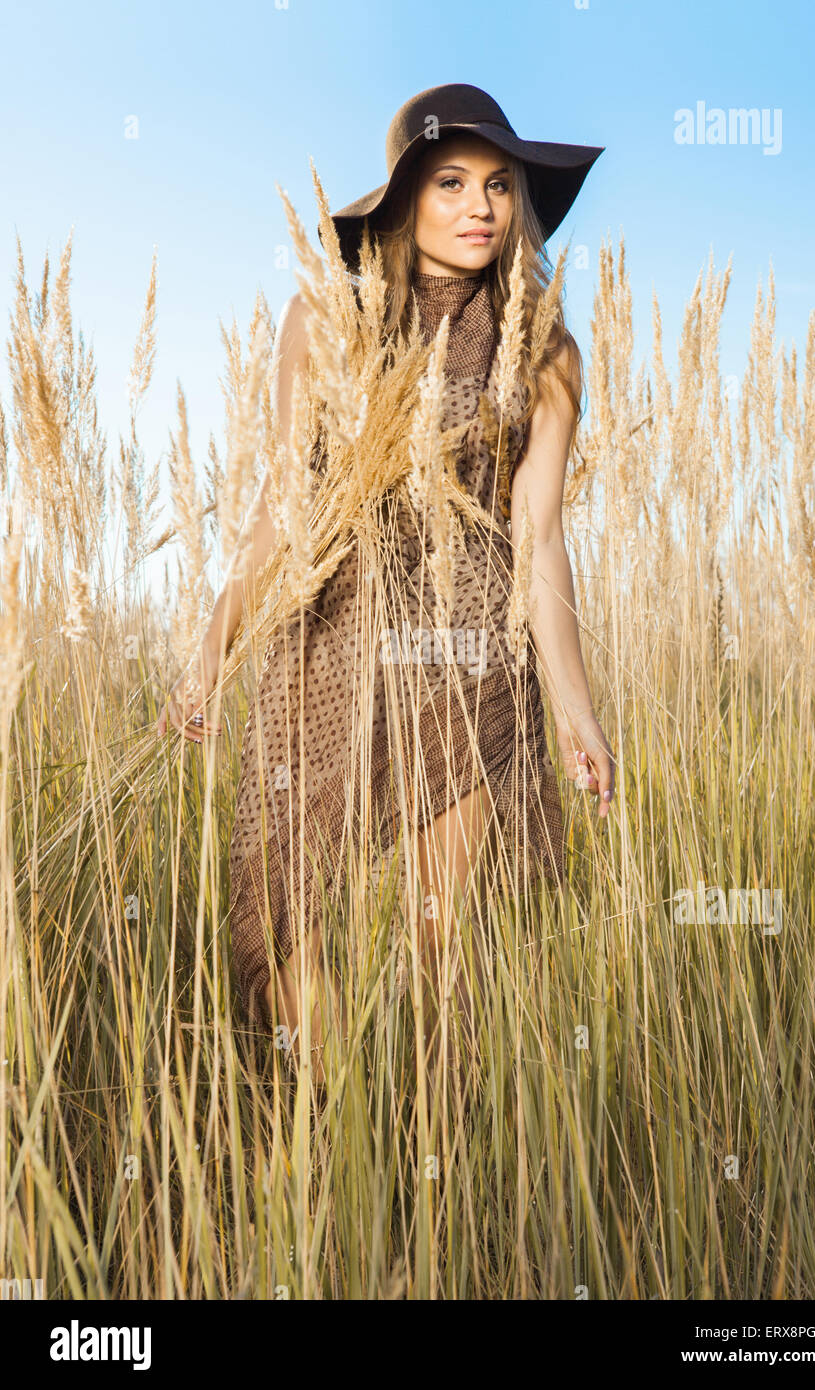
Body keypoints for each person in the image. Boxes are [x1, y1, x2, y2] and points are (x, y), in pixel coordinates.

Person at [156, 83, 615, 1092]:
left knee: (442, 946)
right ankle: (326, 1131)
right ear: (403, 198)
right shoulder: (328, 323)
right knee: (280, 921)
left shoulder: (544, 350)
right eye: (450, 181)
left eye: (498, 186)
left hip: (465, 655)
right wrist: (209, 649)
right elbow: (286, 509)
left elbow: (539, 537)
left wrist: (577, 711)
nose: (479, 205)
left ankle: (431, 1177)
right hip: (327, 642)